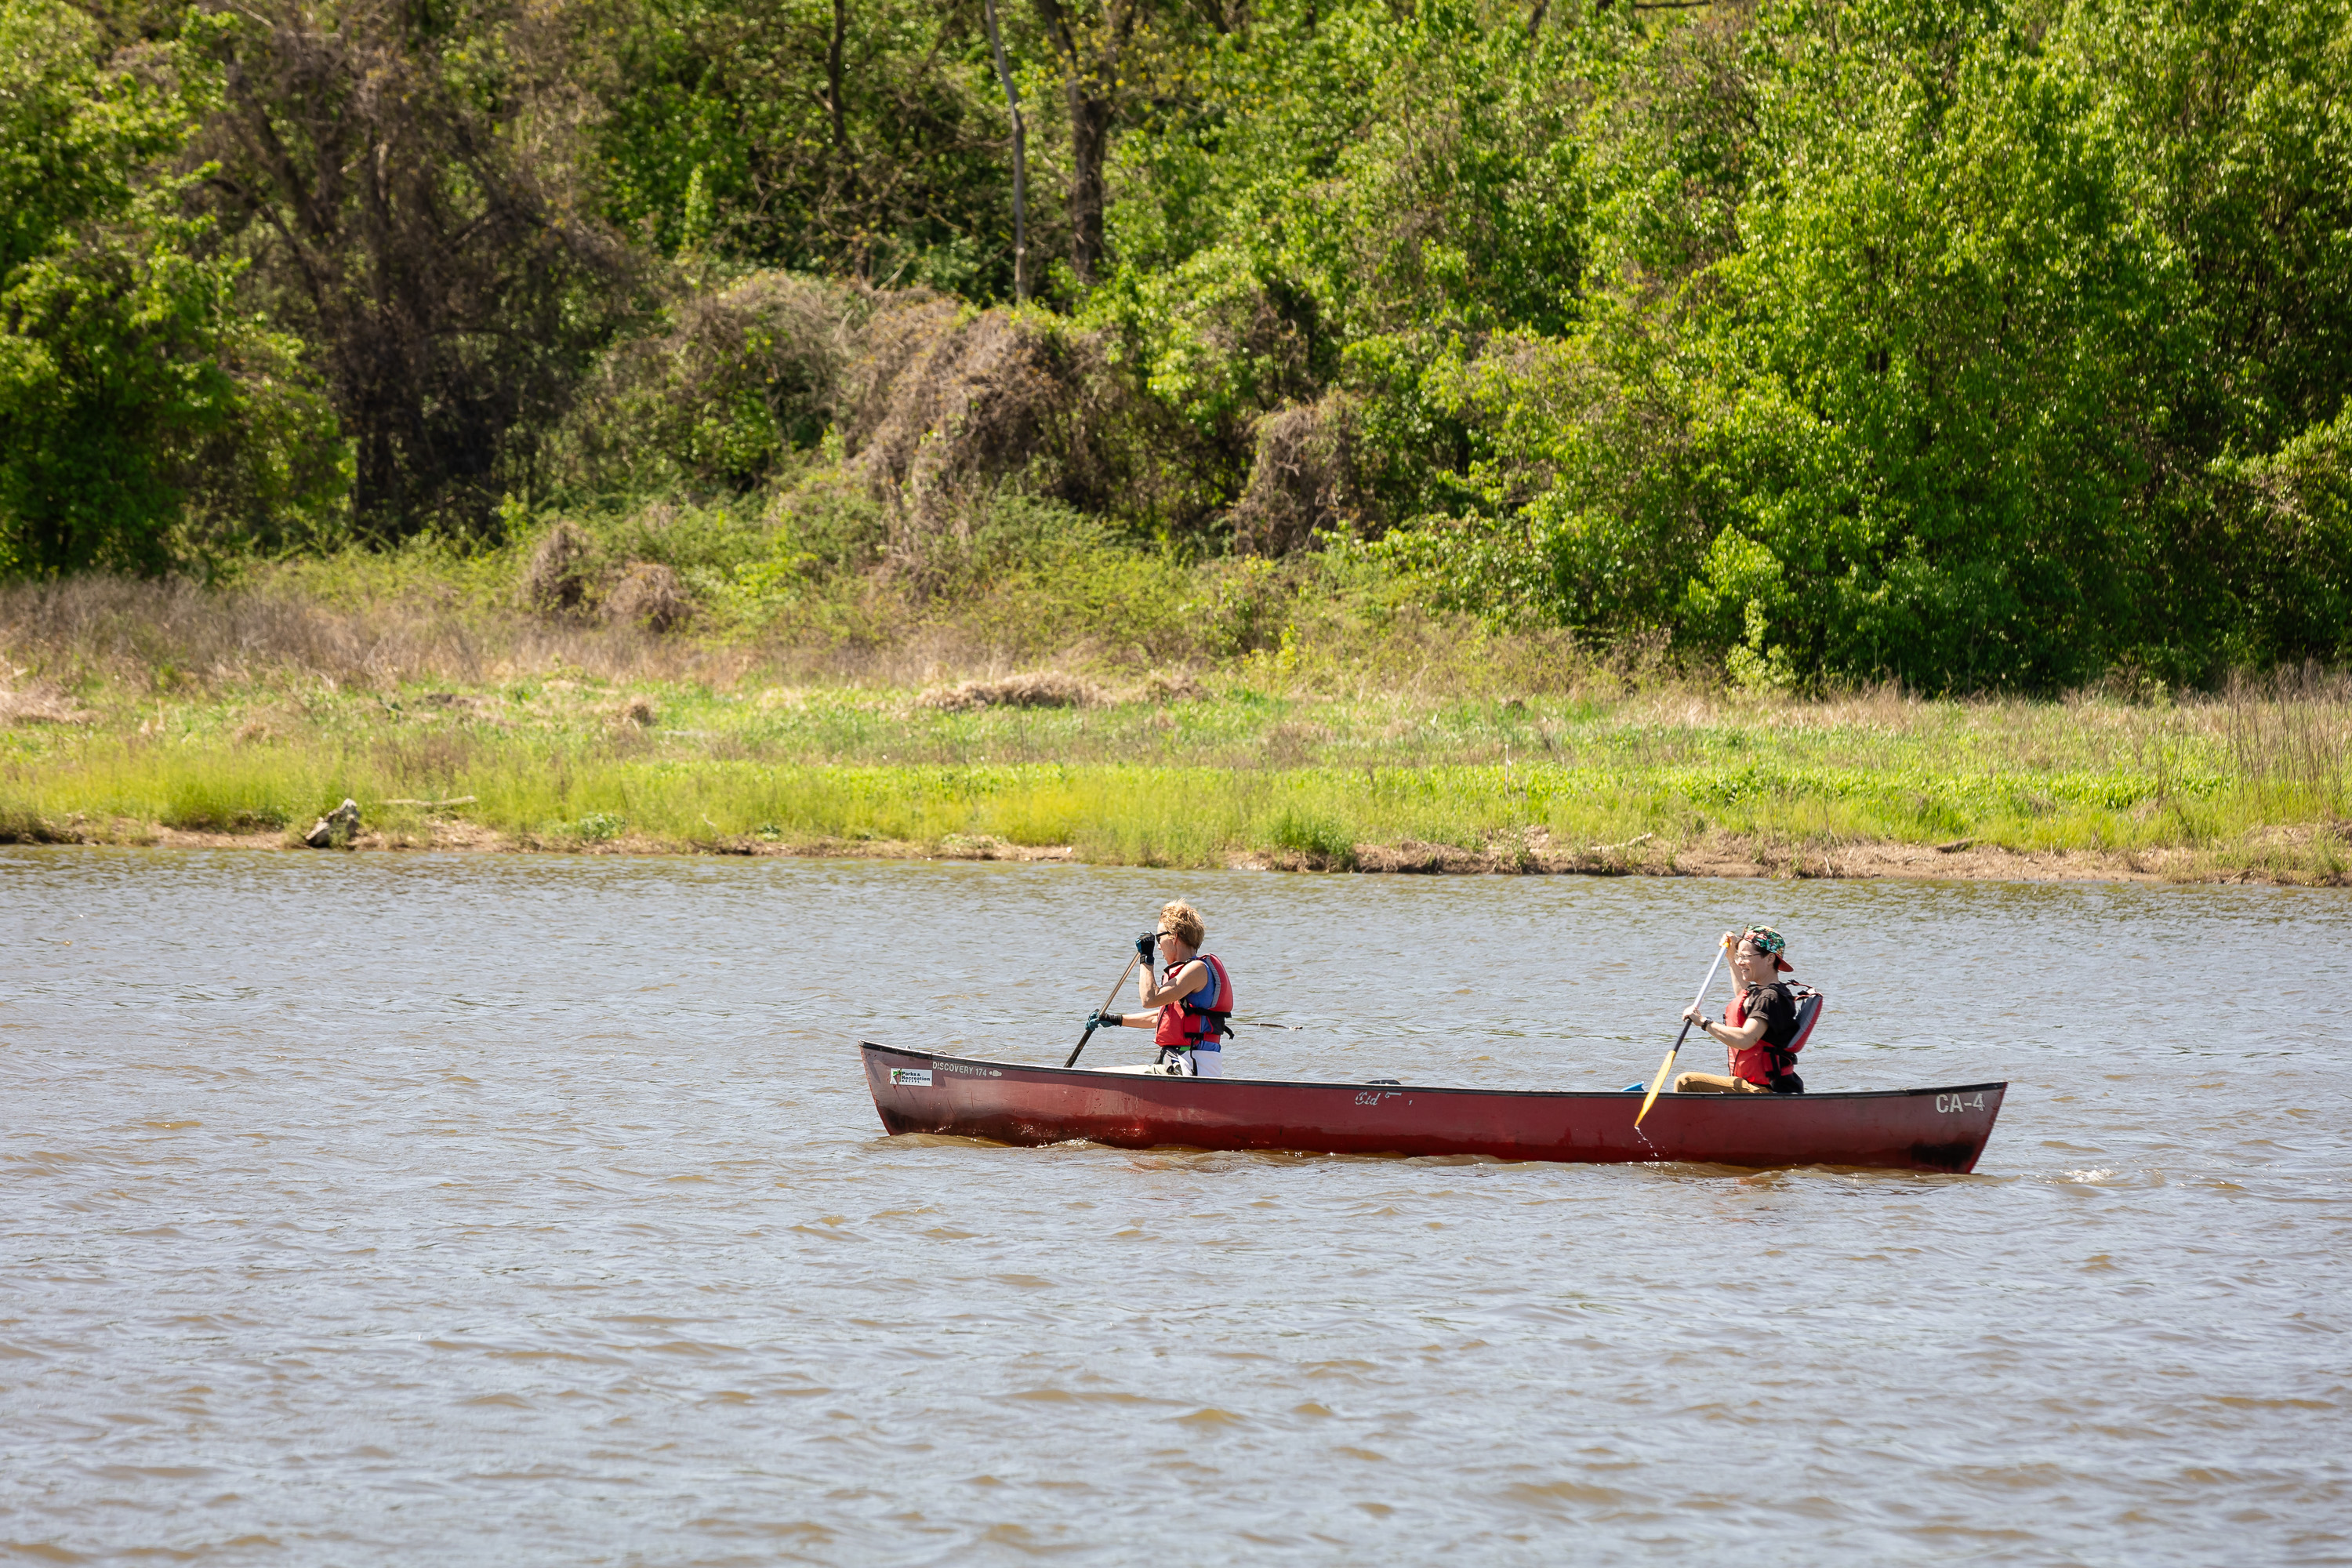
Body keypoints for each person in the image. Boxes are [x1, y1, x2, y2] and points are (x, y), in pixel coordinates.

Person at [1085, 900, 1233, 1076]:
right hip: (1183, 1064)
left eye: (1159, 938)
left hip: (1191, 1067)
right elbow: (1164, 1018)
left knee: (1098, 1074)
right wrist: (1116, 1019)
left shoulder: (1197, 969)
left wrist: (1146, 958)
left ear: (1174, 936)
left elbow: (1149, 999)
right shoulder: (1185, 973)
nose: (1158, 946)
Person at [1675, 926, 1807, 1095]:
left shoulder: (1769, 997)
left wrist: (1703, 1022)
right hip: (1763, 1086)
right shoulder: (1766, 991)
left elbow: (1745, 1039)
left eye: (1745, 957)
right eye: (1739, 956)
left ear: (1770, 959)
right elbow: (1742, 995)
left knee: (1686, 1082)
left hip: (1768, 1091)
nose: (1740, 962)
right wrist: (1731, 954)